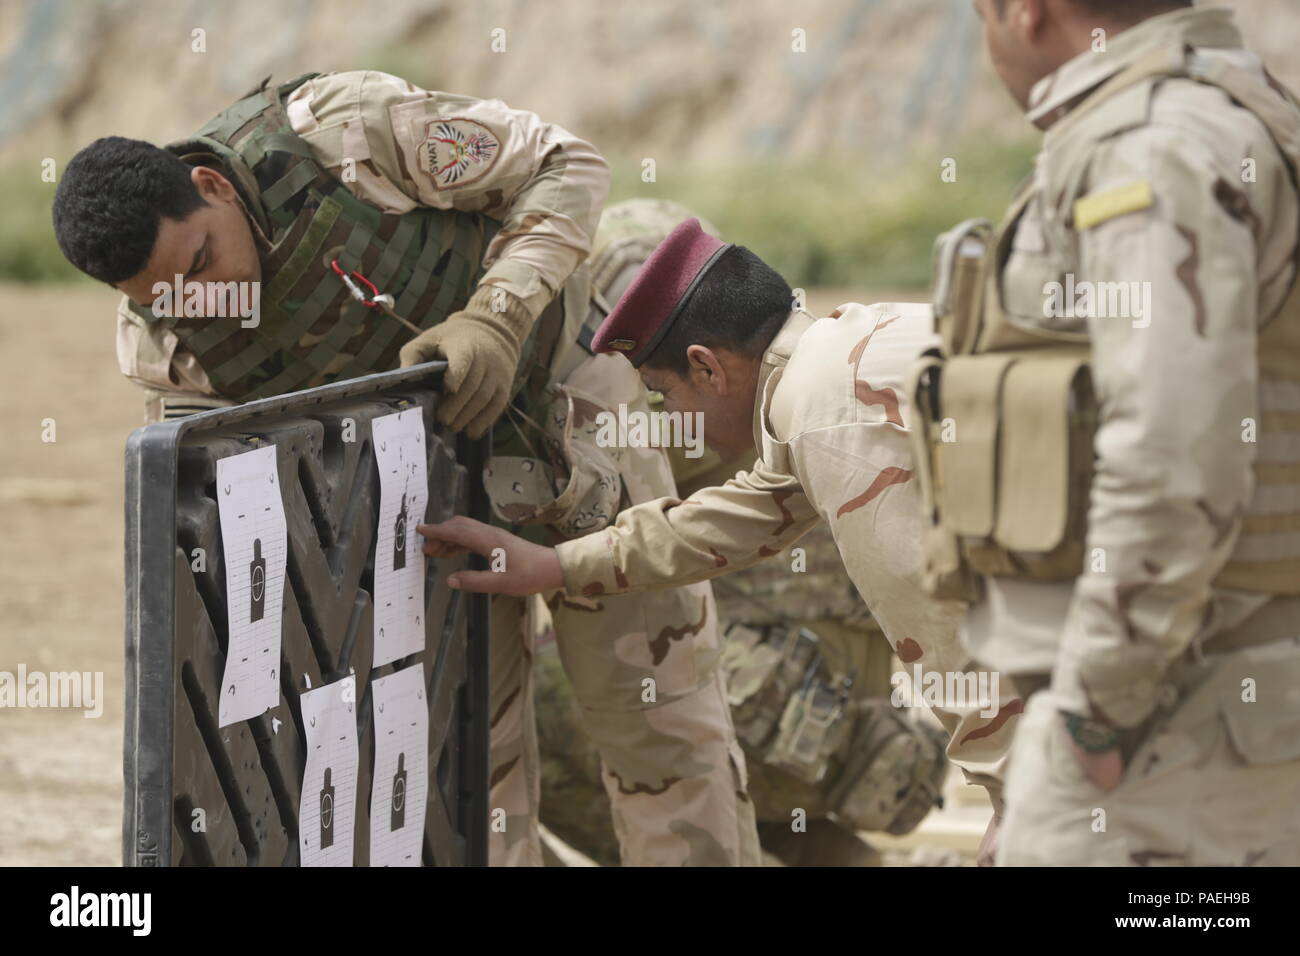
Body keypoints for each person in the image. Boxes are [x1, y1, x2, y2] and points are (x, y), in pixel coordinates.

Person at [51, 70, 758, 866]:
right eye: (168, 296)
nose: (201, 300)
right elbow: (217, 505)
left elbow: (567, 165)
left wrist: (497, 318)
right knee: (468, 770)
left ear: (211, 185)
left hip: (565, 400)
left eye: (203, 260)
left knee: (659, 719)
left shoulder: (344, 136)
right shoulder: (165, 348)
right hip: (422, 499)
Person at [418, 219, 1022, 847]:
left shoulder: (829, 423)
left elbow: (948, 630)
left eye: (662, 395)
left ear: (706, 368)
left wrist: (1014, 802)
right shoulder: (833, 358)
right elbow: (733, 520)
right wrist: (554, 566)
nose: (671, 421)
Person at [911, 0, 1300, 864]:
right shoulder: (1228, 108)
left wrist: (1100, 706)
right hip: (1224, 698)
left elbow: (1174, 442)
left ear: (1025, 12)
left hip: (1173, 717)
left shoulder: (1148, 141)